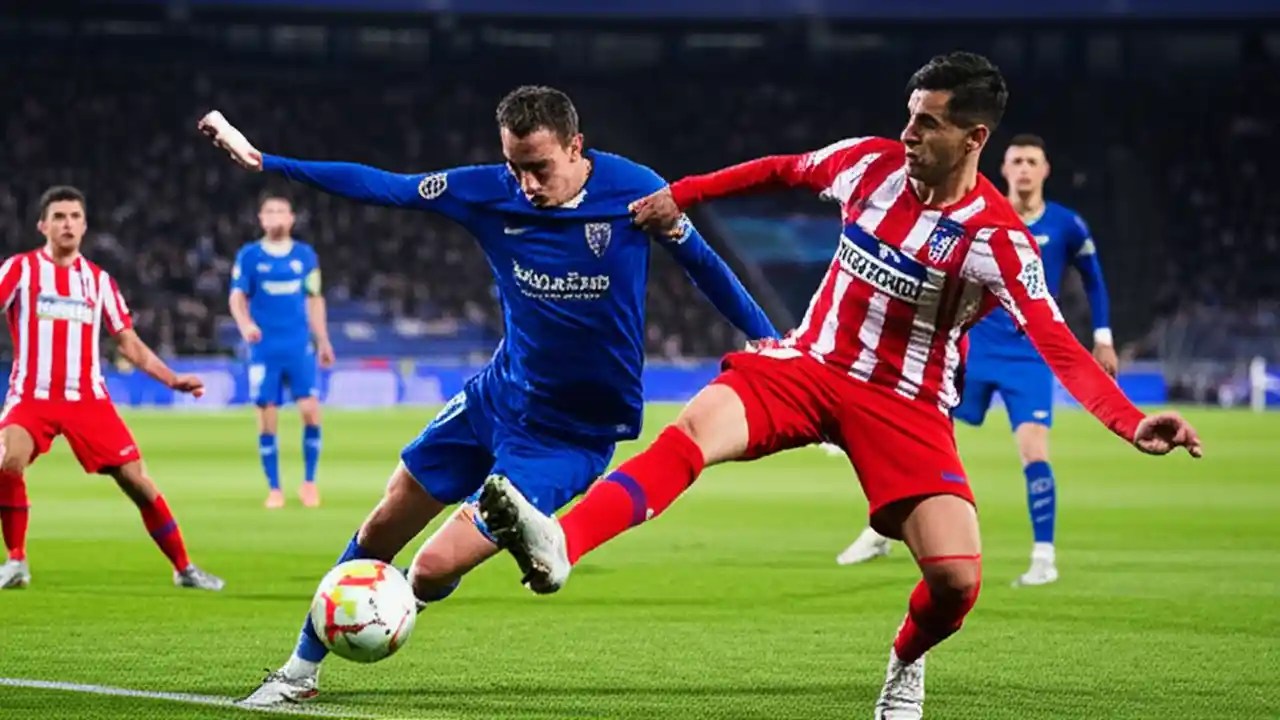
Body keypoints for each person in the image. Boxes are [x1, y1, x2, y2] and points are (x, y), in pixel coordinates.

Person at [476, 53, 1202, 719]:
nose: (907, 132)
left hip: (904, 405)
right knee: (697, 429)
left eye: (928, 122)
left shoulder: (998, 242)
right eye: (909, 114)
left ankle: (905, 663)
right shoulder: (868, 164)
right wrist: (683, 195)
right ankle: (560, 541)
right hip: (810, 364)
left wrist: (1130, 422)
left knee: (955, 581)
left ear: (974, 137)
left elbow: (1060, 346)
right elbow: (782, 169)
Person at [197, 85, 779, 706]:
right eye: (514, 166)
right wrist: (269, 162)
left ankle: (394, 606)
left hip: (571, 435)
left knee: (430, 568)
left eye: (539, 167)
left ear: (576, 146)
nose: (526, 183)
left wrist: (769, 340)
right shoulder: (487, 191)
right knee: (383, 521)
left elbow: (704, 264)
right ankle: (298, 671)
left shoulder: (633, 190)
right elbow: (386, 186)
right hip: (495, 400)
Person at [836, 133, 1116, 587]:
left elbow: (1094, 280)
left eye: (1032, 161)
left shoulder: (1067, 225)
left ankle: (1043, 556)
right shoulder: (981, 217)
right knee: (915, 436)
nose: (1024, 169)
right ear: (1004, 169)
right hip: (975, 351)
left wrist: (1102, 338)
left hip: (1028, 358)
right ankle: (879, 530)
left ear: (1045, 170)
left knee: (1033, 451)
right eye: (1017, 161)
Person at [0, 186, 224, 592]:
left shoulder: (99, 282)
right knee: (6, 460)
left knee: (136, 480)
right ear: (42, 225)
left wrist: (172, 379)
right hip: (31, 394)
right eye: (59, 216)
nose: (67, 223)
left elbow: (129, 343)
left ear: (84, 226)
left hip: (87, 397)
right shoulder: (20, 270)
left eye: (74, 217)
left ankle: (184, 567)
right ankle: (16, 561)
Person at [230, 192, 335, 509]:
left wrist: (323, 339)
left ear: (291, 218)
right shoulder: (249, 256)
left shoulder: (305, 256)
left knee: (310, 412)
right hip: (265, 348)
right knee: (267, 417)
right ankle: (274, 488)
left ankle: (309, 483)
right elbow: (237, 296)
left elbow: (314, 299)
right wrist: (245, 324)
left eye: (281, 211)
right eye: (269, 211)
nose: (275, 216)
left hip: (298, 345)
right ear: (261, 219)